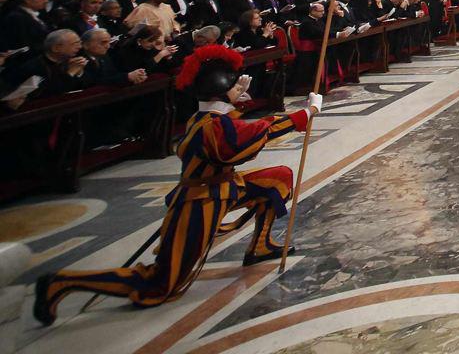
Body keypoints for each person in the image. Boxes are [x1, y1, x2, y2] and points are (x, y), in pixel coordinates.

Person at [33, 46, 323, 323]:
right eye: (235, 87)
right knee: (162, 283)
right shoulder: (214, 127)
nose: (241, 90)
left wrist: (235, 100)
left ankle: (260, 245)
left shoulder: (207, 117)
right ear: (221, 90)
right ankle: (62, 282)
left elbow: (237, 126)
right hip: (200, 201)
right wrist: (307, 113)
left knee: (278, 178)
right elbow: (260, 130)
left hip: (225, 187)